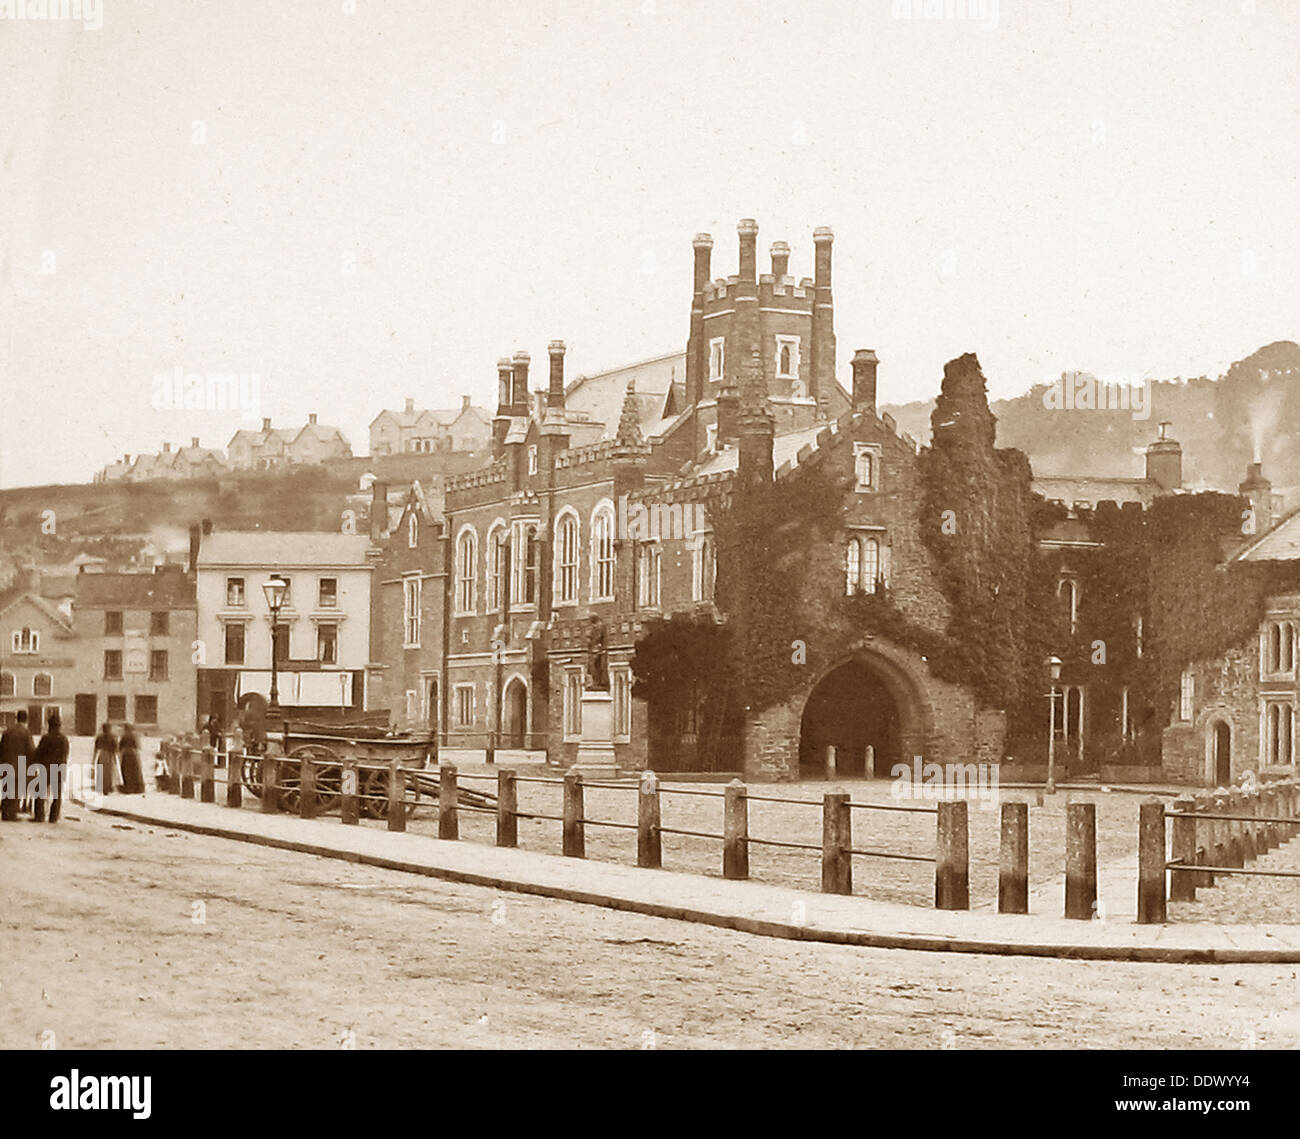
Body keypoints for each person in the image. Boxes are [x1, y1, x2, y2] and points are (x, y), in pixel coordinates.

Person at [31, 712, 68, 823]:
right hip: (59, 769)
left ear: (49, 725)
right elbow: (65, 754)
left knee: (40, 792)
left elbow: (38, 753)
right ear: (59, 725)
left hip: (45, 769)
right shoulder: (64, 739)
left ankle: (39, 816)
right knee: (57, 795)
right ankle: (53, 817)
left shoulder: (46, 738)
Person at [0, 710, 36, 821]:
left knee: (6, 789)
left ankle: (5, 813)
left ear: (17, 718)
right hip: (20, 766)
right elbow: (30, 751)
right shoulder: (26, 733)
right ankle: (12, 814)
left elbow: (1, 748)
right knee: (16, 790)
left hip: (6, 764)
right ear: (26, 720)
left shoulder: (7, 732)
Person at [118, 724, 145, 795]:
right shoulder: (135, 736)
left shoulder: (124, 736)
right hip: (134, 754)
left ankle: (129, 787)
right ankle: (138, 788)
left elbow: (120, 747)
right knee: (135, 770)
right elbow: (138, 746)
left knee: (127, 771)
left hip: (126, 754)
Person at [93, 722, 118, 796]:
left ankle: (100, 786)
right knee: (108, 772)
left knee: (100, 771)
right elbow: (115, 747)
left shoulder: (99, 737)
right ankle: (108, 787)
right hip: (109, 755)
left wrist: (94, 758)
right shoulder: (112, 737)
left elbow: (96, 748)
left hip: (101, 754)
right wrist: (115, 757)